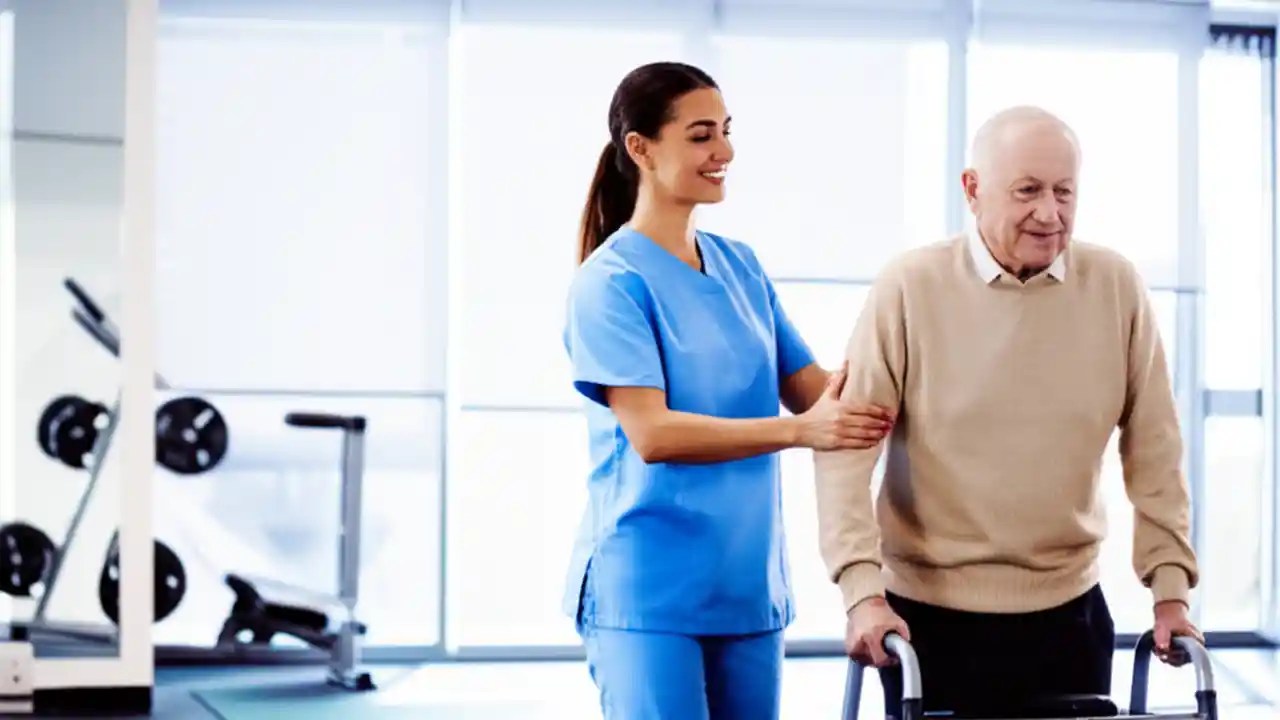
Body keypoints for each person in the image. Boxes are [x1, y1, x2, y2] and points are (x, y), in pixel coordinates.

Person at [812, 105, 1203, 719]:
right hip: (926, 617)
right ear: (972, 190)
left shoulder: (1115, 286)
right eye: (1027, 191)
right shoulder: (911, 286)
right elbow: (845, 450)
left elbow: (1156, 448)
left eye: (1064, 192)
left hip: (1069, 613)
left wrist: (1171, 591)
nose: (1049, 213)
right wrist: (860, 590)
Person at [560, 61, 894, 720]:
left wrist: (913, 353)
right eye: (702, 135)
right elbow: (653, 435)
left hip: (746, 586)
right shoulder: (611, 282)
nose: (725, 152)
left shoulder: (741, 265)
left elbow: (815, 393)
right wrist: (800, 433)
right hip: (649, 594)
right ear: (641, 148)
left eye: (727, 132)